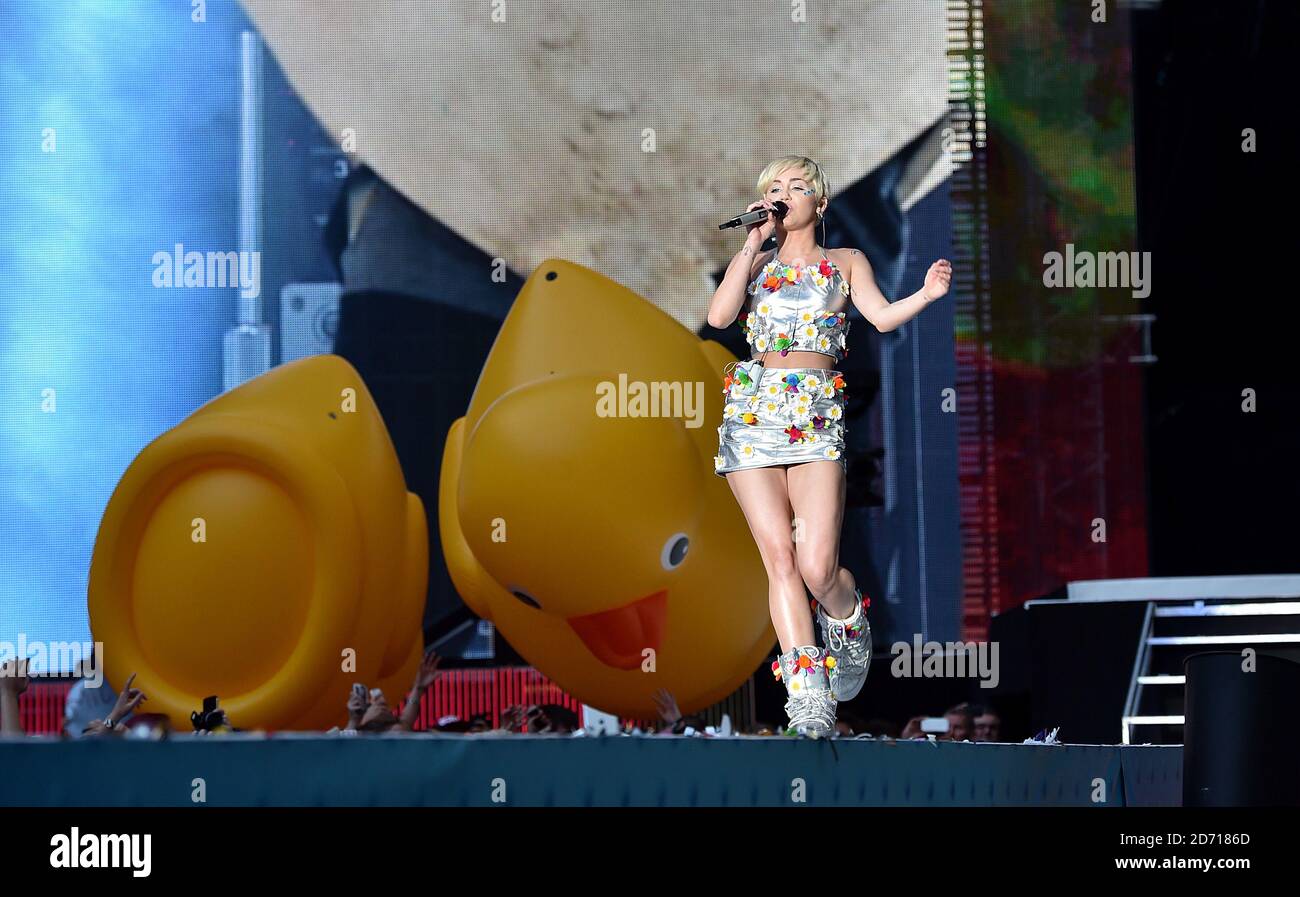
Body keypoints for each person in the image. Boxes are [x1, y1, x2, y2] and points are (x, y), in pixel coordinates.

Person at [707, 156, 950, 737]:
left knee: (817, 566)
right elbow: (719, 317)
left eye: (794, 187)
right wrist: (749, 247)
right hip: (754, 410)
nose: (781, 194)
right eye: (772, 188)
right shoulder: (757, 263)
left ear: (819, 203)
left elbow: (883, 318)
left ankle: (846, 616)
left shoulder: (845, 262)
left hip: (814, 415)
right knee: (779, 560)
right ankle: (807, 689)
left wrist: (926, 294)